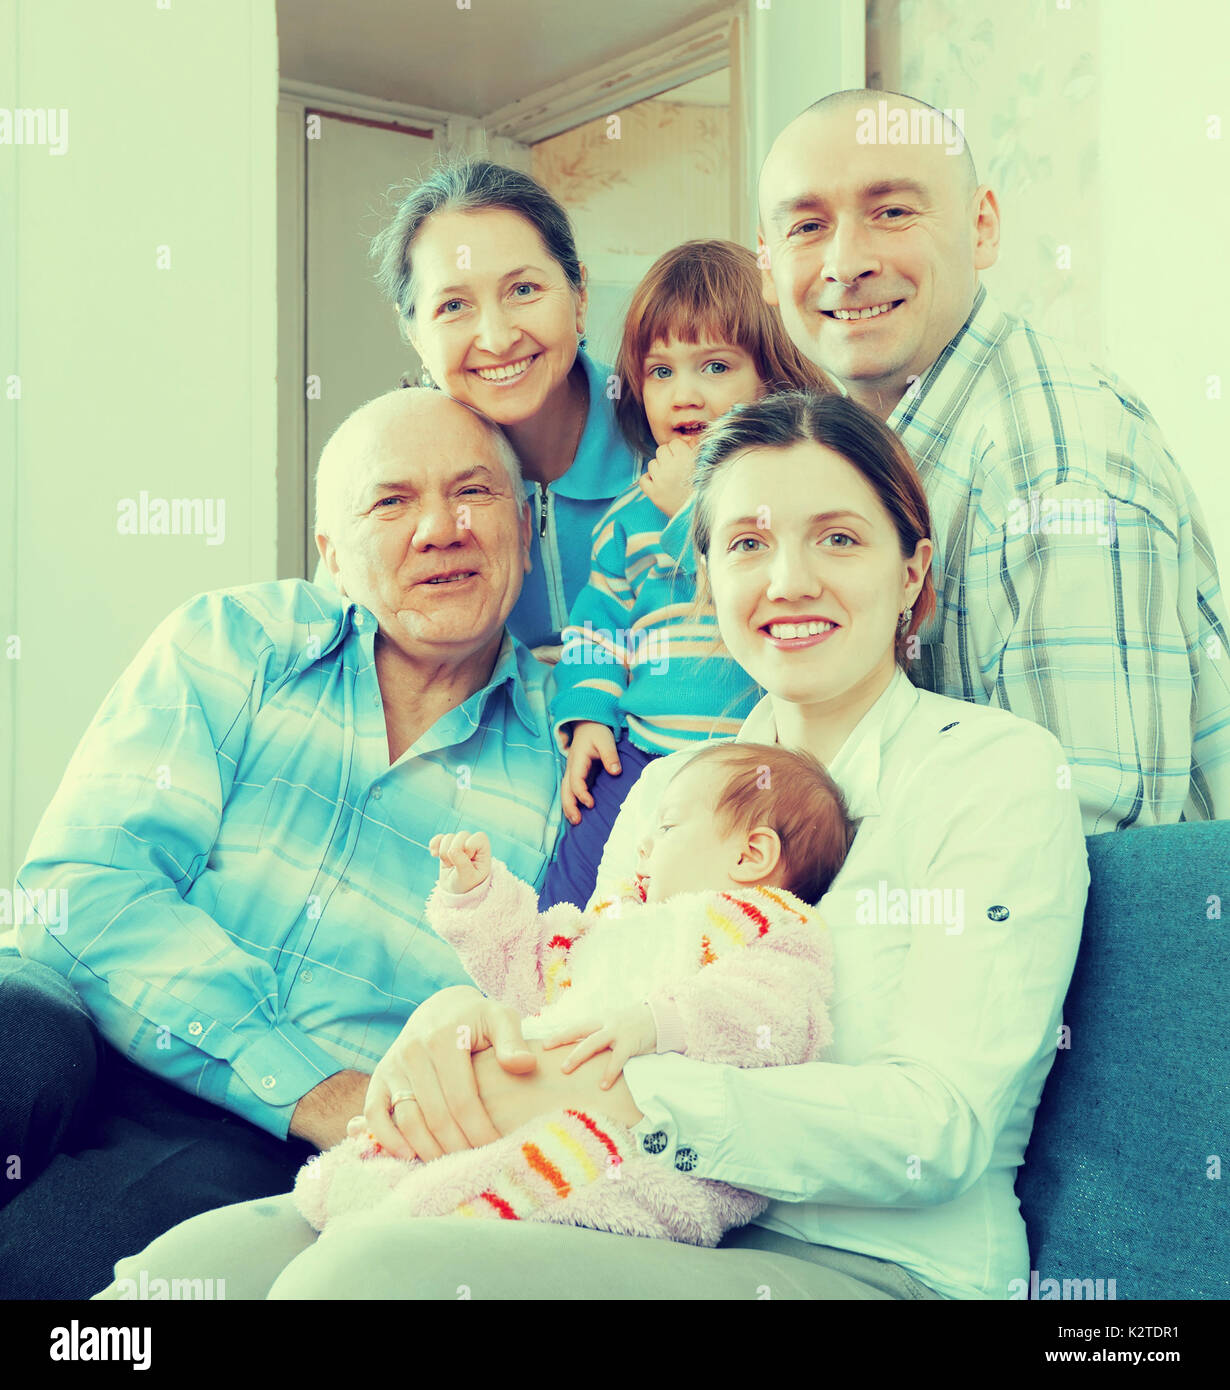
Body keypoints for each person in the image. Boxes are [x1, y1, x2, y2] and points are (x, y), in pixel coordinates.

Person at [93, 392, 1087, 1302]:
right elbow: (576, 978)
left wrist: (634, 1087)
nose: (789, 579)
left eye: (837, 537)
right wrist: (467, 1020)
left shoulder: (991, 774)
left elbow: (942, 1127)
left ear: (910, 567)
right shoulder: (664, 791)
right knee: (180, 1278)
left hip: (872, 1263)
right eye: (746, 542)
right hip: (615, 1205)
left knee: (360, 1281)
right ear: (703, 577)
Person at [2, 389, 567, 1299]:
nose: (439, 528)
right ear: (332, 555)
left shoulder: (572, 765)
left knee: (84, 1260)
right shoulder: (235, 638)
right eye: (390, 501)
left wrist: (332, 1108)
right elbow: (84, 891)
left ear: (528, 529)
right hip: (86, 1022)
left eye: (474, 493)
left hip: (274, 1146)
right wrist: (305, 1081)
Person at [756, 88, 1230, 832]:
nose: (845, 263)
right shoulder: (859, 453)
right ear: (766, 258)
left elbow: (1090, 844)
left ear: (982, 227)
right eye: (808, 226)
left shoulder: (1054, 464)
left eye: (892, 212)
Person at [288, 741, 852, 1247]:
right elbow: (529, 974)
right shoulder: (614, 923)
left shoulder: (769, 927)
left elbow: (776, 1020)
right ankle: (373, 1191)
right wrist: (480, 898)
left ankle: (405, 1229)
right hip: (544, 1101)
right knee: (441, 1150)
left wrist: (661, 1022)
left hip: (648, 1154)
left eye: (670, 830)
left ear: (751, 855)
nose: (645, 849)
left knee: (524, 1167)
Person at [541, 239, 831, 910]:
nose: (684, 393)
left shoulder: (794, 499)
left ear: (772, 379)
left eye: (715, 366)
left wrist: (692, 512)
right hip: (637, 754)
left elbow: (773, 590)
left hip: (749, 767)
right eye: (661, 372)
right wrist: (587, 717)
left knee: (711, 919)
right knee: (569, 907)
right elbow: (597, 625)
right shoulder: (625, 519)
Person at [314, 156, 640, 657]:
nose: (497, 338)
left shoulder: (672, 432)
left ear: (579, 296)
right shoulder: (379, 478)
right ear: (414, 334)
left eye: (523, 289)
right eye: (453, 306)